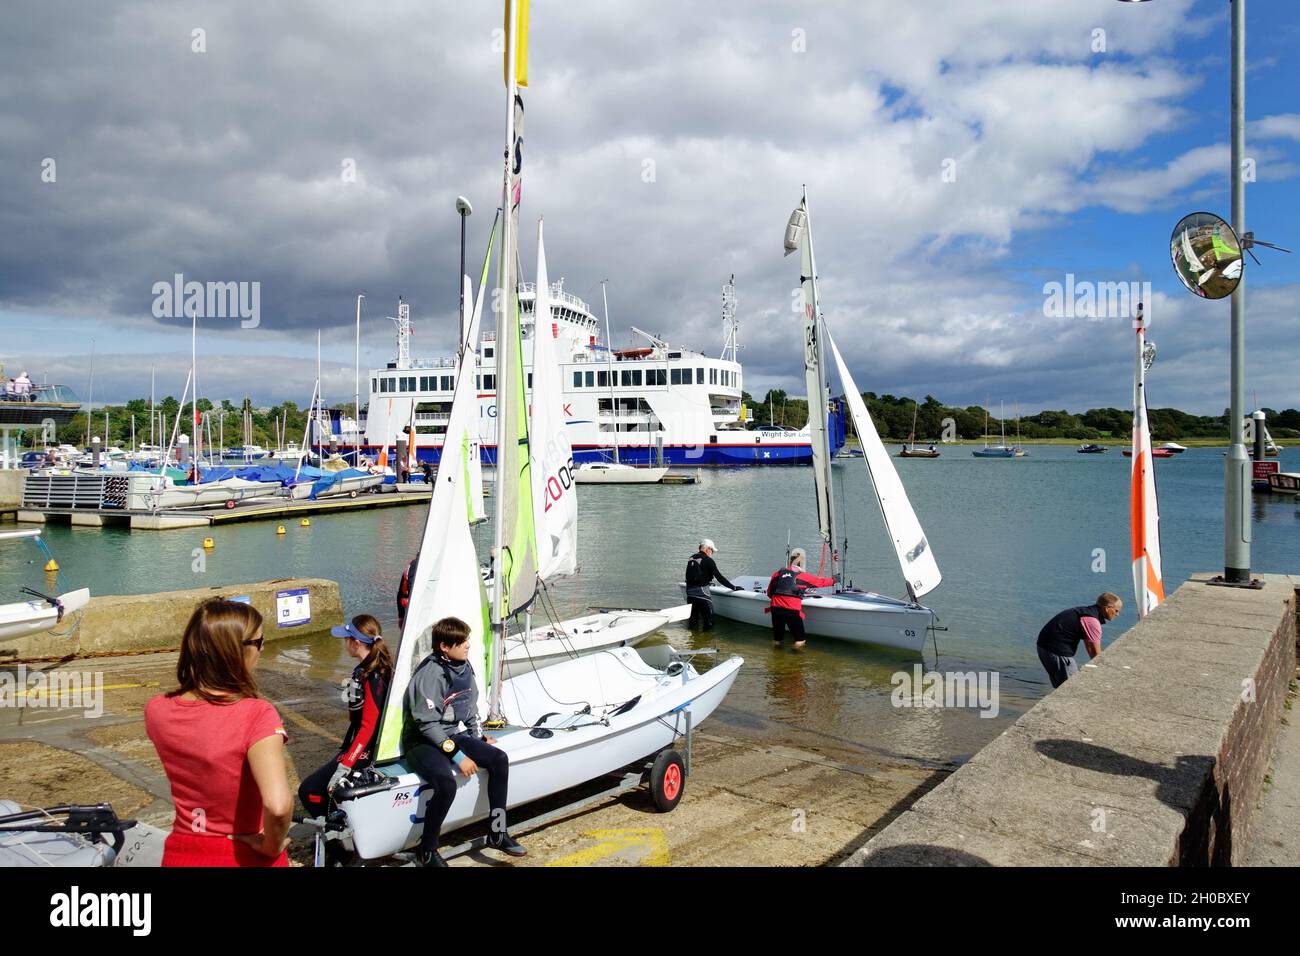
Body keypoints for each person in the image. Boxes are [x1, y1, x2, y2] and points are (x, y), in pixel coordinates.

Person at [144, 599, 292, 867]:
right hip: (243, 854)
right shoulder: (257, 714)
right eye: (259, 642)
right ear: (237, 651)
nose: (262, 648)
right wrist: (270, 846)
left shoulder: (156, 710)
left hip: (183, 852)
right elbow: (278, 806)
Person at [404, 616, 525, 866]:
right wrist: (459, 757)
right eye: (461, 642)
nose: (467, 645)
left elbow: (468, 708)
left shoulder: (464, 666)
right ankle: (427, 851)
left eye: (467, 640)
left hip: (450, 734)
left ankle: (497, 832)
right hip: (422, 741)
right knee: (446, 784)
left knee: (499, 759)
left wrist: (477, 738)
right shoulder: (431, 674)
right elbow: (427, 725)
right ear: (444, 647)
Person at [298, 615, 393, 816]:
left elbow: (368, 727)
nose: (344, 643)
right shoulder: (370, 668)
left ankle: (339, 837)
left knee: (309, 791)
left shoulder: (372, 675)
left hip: (366, 748)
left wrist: (347, 763)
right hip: (360, 743)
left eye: (346, 639)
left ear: (355, 643)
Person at [1036, 592, 1122, 688]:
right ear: (1107, 608)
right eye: (1116, 611)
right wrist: (1105, 673)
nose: (1118, 614)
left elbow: (1089, 646)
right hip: (1057, 651)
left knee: (1061, 686)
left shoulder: (1084, 612)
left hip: (1044, 646)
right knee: (1072, 688)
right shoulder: (1092, 622)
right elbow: (1095, 653)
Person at [767, 548, 835, 649]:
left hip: (775, 609)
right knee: (800, 640)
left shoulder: (777, 574)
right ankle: (795, 659)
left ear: (790, 562)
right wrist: (834, 580)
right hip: (792, 610)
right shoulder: (803, 576)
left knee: (777, 639)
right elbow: (821, 582)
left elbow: (769, 593)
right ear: (801, 564)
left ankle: (776, 655)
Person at [685, 539, 741, 629]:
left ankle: (693, 641)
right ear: (708, 549)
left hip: (690, 594)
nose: (712, 553)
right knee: (709, 622)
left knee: (693, 621)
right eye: (712, 551)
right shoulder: (708, 560)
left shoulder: (691, 558)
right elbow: (719, 577)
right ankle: (707, 641)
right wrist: (733, 587)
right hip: (702, 595)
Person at [397, 553, 418, 630]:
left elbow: (400, 594)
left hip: (410, 609)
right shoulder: (415, 566)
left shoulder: (411, 566)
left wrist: (401, 616)